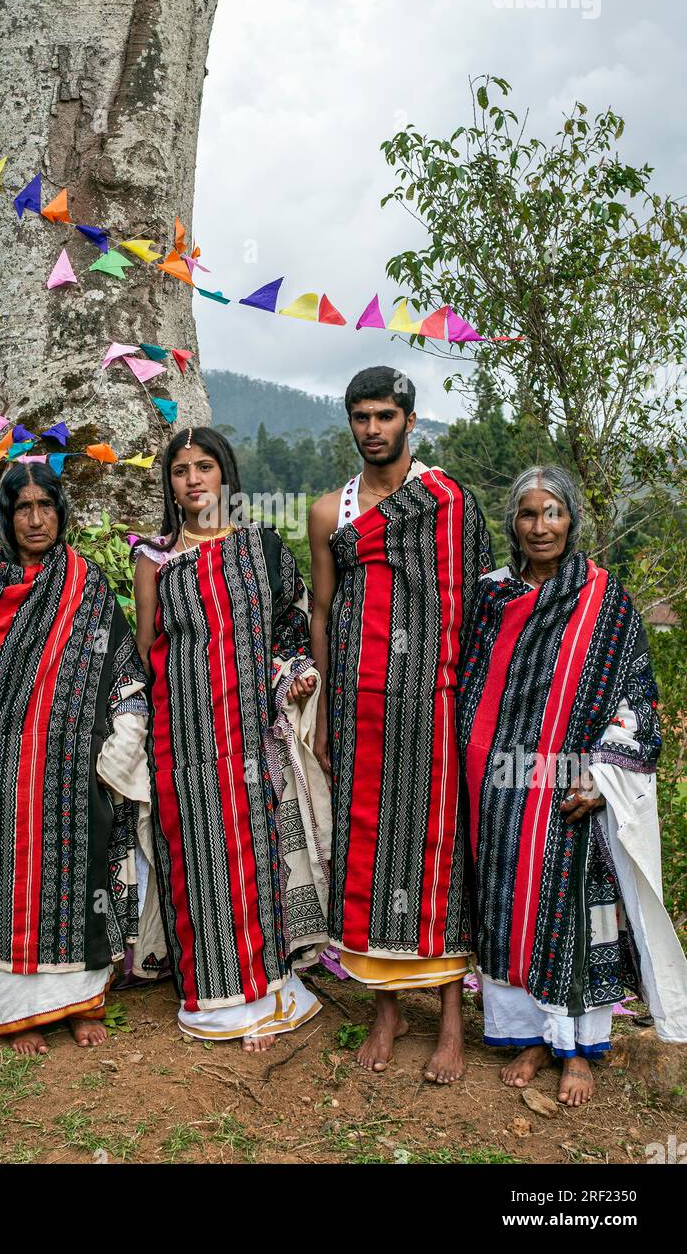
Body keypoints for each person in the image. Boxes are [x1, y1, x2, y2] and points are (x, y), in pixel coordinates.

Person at [457, 465, 687, 1105]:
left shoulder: (604, 599)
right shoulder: (492, 595)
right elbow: (471, 681)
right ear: (513, 523)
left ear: (571, 520)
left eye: (552, 513)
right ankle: (530, 1038)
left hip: (572, 784)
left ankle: (578, 1048)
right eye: (527, 514)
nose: (540, 527)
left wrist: (603, 772)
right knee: (508, 909)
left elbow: (635, 692)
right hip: (499, 785)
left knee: (579, 912)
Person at [308, 366, 492, 1079]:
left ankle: (448, 1015)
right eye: (361, 417)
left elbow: (474, 606)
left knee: (436, 851)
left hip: (437, 702)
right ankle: (386, 1011)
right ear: (350, 423)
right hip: (362, 707)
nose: (373, 429)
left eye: (386, 416)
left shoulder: (449, 502)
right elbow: (323, 614)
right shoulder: (333, 513)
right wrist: (324, 710)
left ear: (410, 421)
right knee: (372, 852)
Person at [132, 426, 331, 1051]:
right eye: (180, 469)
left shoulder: (262, 546)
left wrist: (295, 675)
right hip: (183, 738)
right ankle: (218, 1001)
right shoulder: (155, 558)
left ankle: (271, 985)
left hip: (252, 738)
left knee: (258, 856)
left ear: (226, 475)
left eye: (205, 466)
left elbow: (290, 632)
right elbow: (145, 651)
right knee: (202, 859)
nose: (193, 478)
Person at [0, 461, 149, 1055]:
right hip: (2, 773)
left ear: (61, 513)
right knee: (12, 882)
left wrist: (119, 741)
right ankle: (24, 1013)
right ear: (8, 519)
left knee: (77, 878)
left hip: (71, 771)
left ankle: (82, 1004)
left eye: (46, 506)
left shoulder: (84, 585)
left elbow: (121, 666)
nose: (36, 519)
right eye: (22, 508)